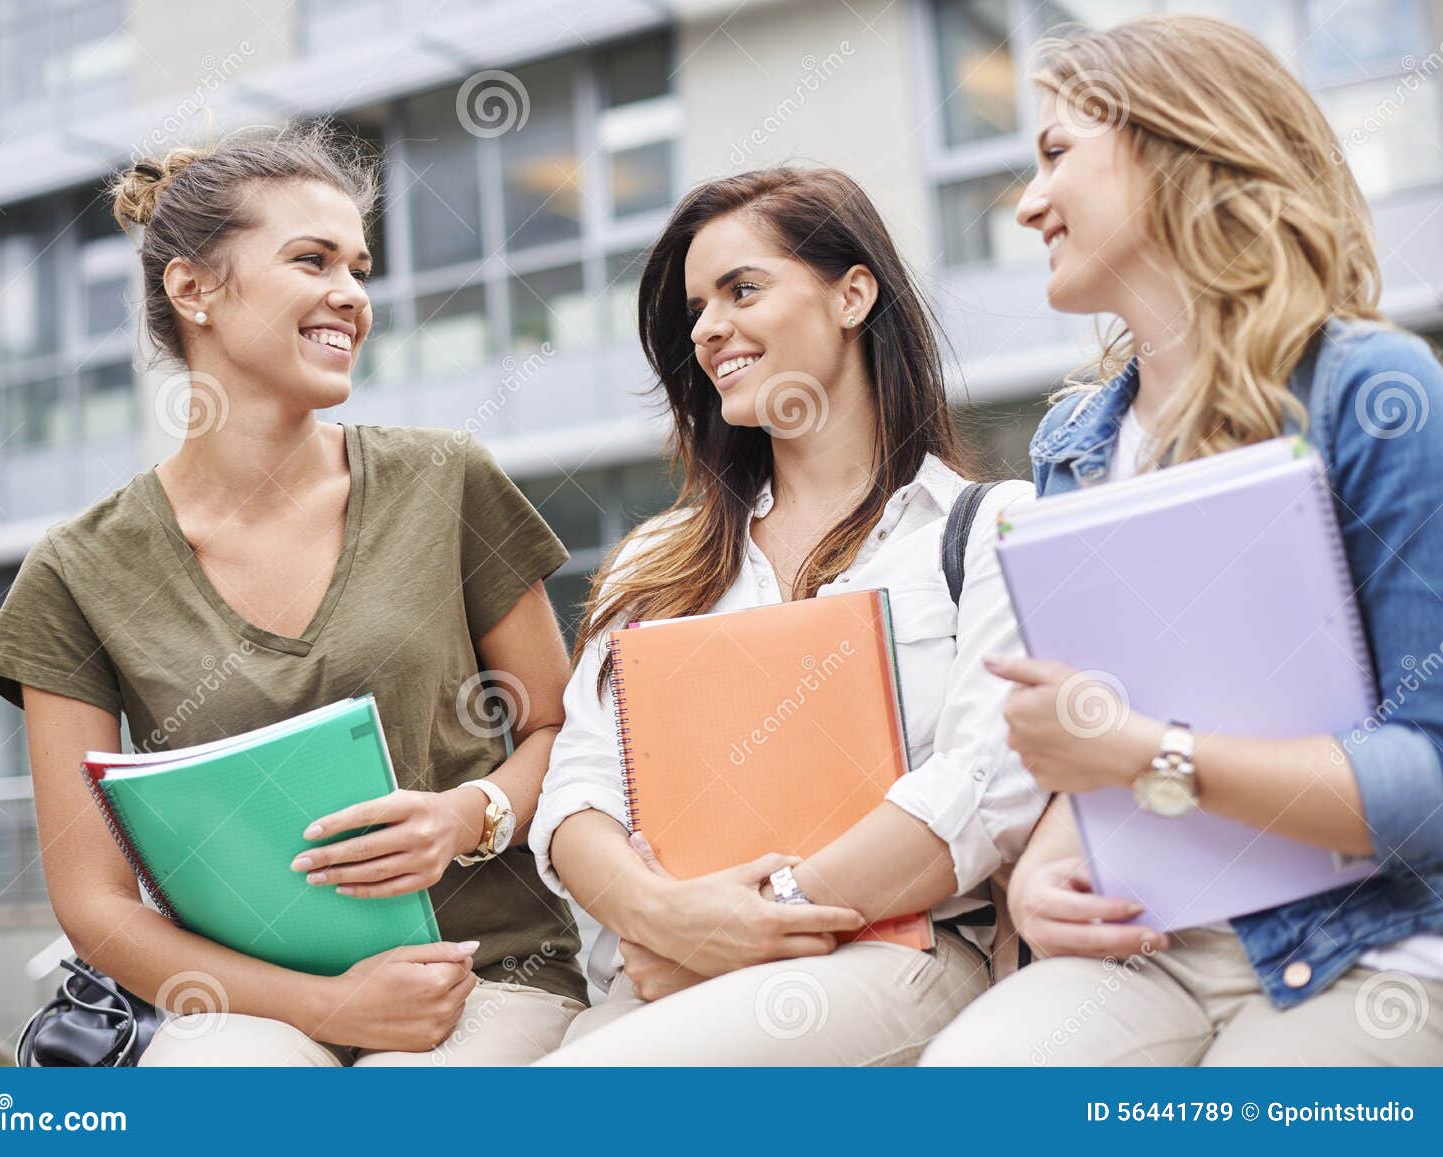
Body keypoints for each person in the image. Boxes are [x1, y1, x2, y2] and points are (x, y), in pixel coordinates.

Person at [0, 124, 586, 1066]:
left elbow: (560, 728)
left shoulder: (446, 481)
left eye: (360, 267)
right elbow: (92, 904)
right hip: (246, 1005)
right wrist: (330, 1008)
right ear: (193, 289)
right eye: (312, 260)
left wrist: (470, 814)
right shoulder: (76, 569)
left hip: (486, 976)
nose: (352, 294)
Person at [922, 14, 1443, 1066]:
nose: (1026, 203)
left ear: (1170, 149)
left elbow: (1427, 781)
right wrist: (1048, 860)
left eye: (1056, 154)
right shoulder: (1076, 441)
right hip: (1152, 947)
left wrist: (1147, 752)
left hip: (1374, 946)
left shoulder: (1372, 392)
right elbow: (1096, 744)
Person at [530, 167, 1045, 1065]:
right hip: (670, 968)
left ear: (852, 294)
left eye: (743, 289)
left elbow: (980, 789)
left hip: (904, 957)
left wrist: (753, 921)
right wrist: (668, 919)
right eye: (696, 308)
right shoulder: (660, 561)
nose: (708, 328)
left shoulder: (987, 530)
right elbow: (576, 794)